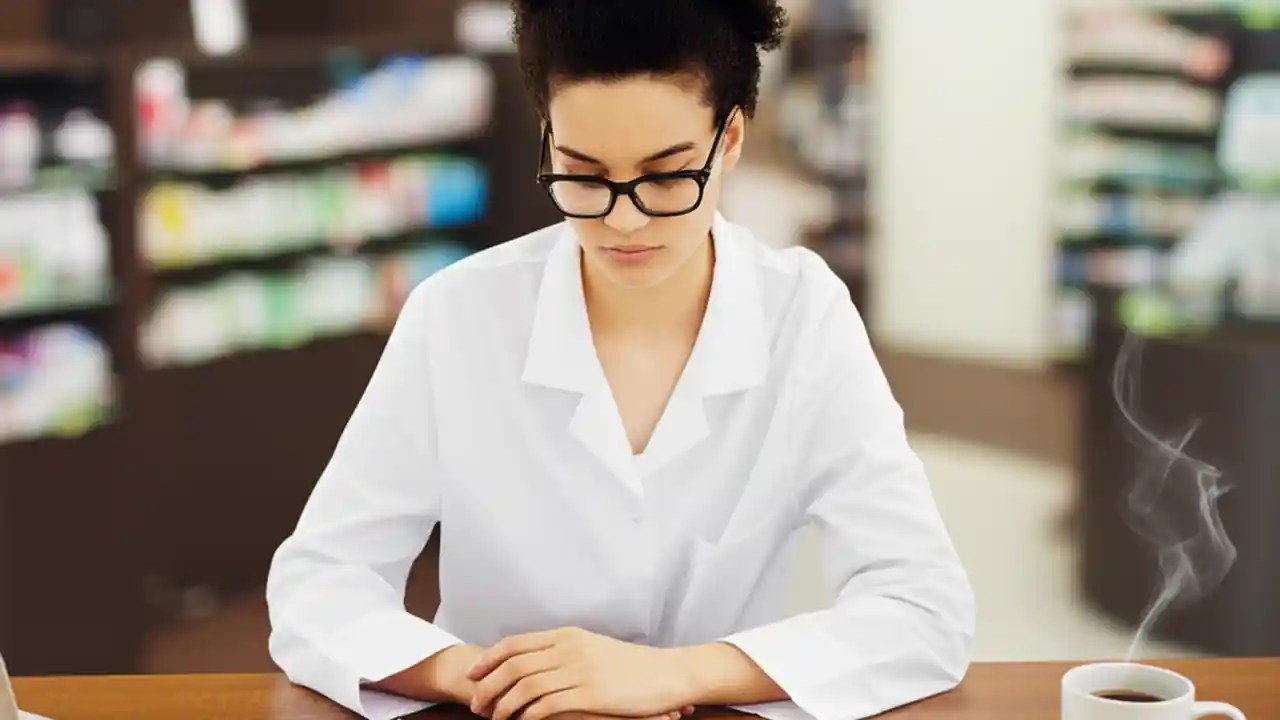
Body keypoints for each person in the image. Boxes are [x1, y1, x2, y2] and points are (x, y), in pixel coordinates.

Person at [266, 2, 974, 719]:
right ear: (548, 137)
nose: (622, 220)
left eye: (667, 177)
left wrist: (677, 676)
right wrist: (493, 676)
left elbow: (922, 608)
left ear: (728, 138)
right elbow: (320, 581)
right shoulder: (457, 315)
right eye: (584, 174)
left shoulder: (802, 316)